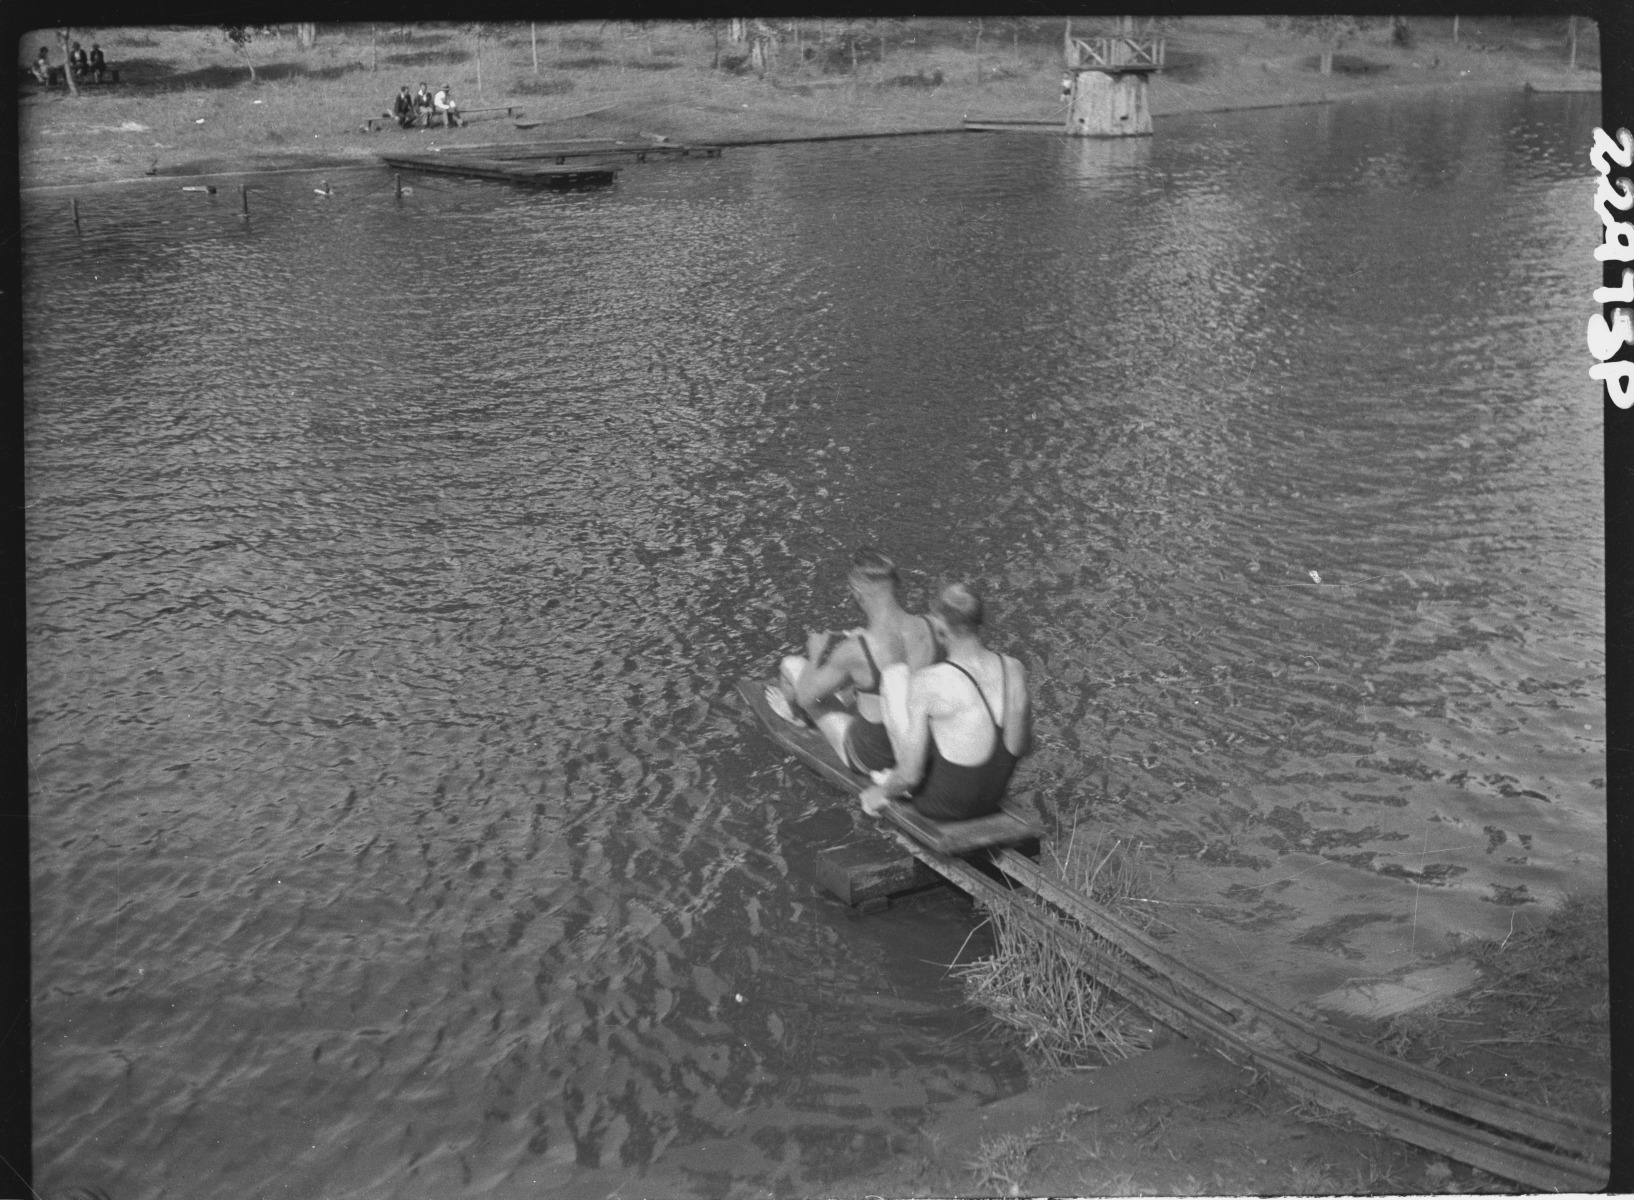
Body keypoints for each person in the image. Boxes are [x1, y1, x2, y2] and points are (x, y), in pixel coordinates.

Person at [858, 582, 1031, 822]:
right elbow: (1023, 748)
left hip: (941, 806)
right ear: (978, 622)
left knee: (895, 675)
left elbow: (910, 775)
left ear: (941, 627)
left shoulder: (929, 682)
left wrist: (879, 793)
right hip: (992, 800)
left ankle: (894, 776)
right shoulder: (1014, 669)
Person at [766, 547, 941, 774]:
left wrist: (816, 653)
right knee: (865, 687)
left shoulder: (856, 651)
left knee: (790, 666)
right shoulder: (933, 627)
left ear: (857, 594)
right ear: (896, 585)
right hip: (921, 747)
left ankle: (797, 718)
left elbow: (806, 696)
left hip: (876, 758)